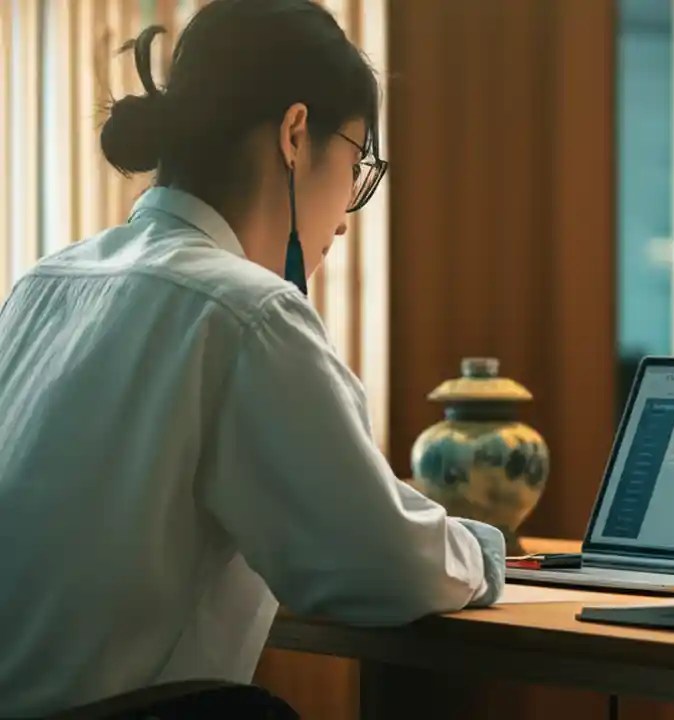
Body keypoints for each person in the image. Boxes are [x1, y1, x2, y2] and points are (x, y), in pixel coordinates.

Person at [0, 1, 504, 715]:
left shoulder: (45, 284)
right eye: (356, 163)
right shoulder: (245, 311)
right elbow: (383, 565)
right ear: (295, 134)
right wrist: (484, 552)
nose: (344, 222)